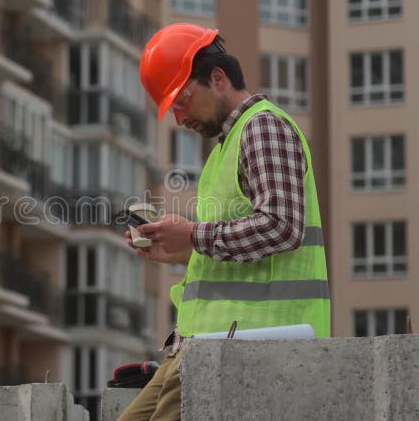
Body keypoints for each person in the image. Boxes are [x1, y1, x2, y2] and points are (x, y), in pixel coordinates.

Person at [117, 23, 331, 421]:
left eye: (181, 100)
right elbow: (235, 247)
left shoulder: (263, 128)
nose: (178, 117)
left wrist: (194, 236)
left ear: (217, 79)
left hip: (250, 345)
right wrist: (182, 250)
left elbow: (282, 226)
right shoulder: (224, 150)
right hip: (207, 347)